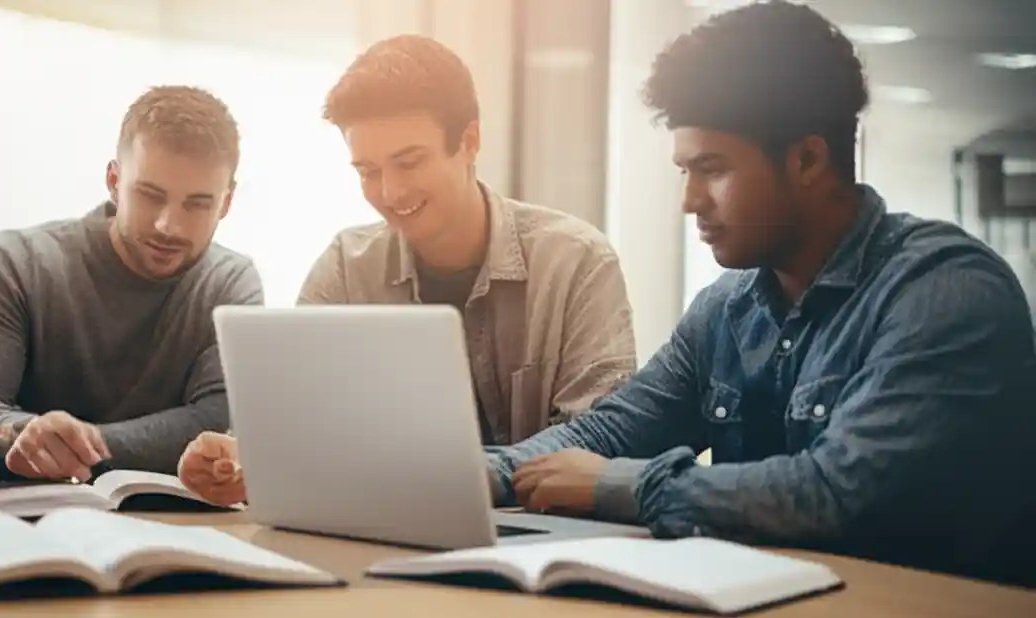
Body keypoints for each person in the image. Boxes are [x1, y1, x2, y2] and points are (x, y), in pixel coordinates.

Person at [485, 1, 1036, 583]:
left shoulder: (946, 292)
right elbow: (608, 432)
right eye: (684, 171)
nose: (690, 201)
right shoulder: (726, 309)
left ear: (806, 159)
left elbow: (837, 493)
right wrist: (476, 474)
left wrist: (619, 485)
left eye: (712, 168)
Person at [178, 35, 637, 505]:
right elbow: (293, 425)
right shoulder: (345, 266)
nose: (390, 192)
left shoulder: (577, 260)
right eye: (367, 171)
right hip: (384, 529)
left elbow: (603, 441)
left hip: (545, 536)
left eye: (409, 162)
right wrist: (243, 459)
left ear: (470, 142)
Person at [0, 86, 262, 482]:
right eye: (150, 196)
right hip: (14, 520)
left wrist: (80, 445)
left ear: (226, 204)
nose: (169, 225)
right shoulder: (15, 262)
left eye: (198, 204)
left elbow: (221, 420)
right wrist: (16, 435)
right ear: (114, 181)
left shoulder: (229, 283)